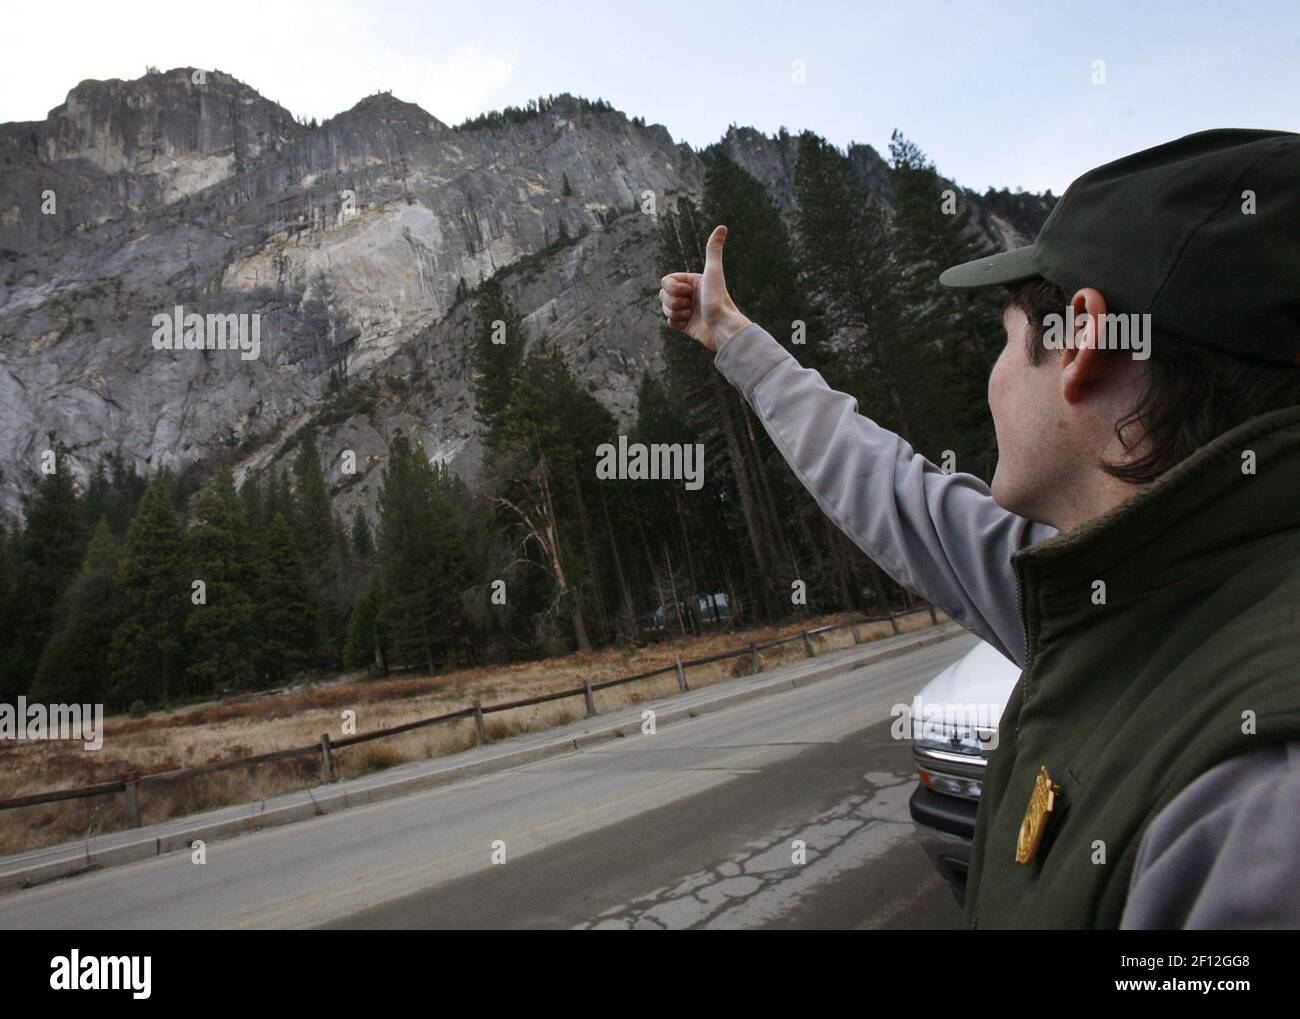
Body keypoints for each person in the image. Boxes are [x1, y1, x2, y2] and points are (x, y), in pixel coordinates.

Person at [659, 128, 1300, 929]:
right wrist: (733, 338)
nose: (990, 378)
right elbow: (887, 486)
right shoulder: (1113, 582)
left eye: (1002, 343)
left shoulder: (1256, 802)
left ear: (1081, 345)